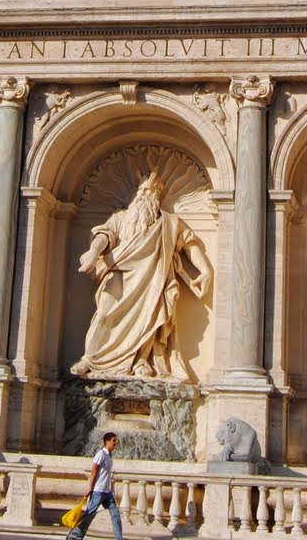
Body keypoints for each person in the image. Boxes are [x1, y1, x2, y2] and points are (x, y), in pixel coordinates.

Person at [70, 171, 213, 380]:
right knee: (103, 314)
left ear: (158, 197)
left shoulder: (169, 223)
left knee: (150, 317)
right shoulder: (121, 218)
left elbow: (188, 243)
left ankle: (140, 361)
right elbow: (104, 235)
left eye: (151, 191)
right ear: (137, 193)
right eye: (143, 190)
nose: (146, 194)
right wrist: (93, 252)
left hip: (153, 280)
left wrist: (205, 269)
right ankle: (90, 359)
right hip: (119, 275)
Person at [66, 432, 122, 540]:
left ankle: (119, 538)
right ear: (107, 442)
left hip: (107, 492)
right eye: (114, 440)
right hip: (98, 491)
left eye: (116, 440)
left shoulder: (109, 455)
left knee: (115, 515)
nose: (116, 442)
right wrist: (90, 489)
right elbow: (93, 472)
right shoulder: (100, 454)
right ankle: (75, 535)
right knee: (88, 516)